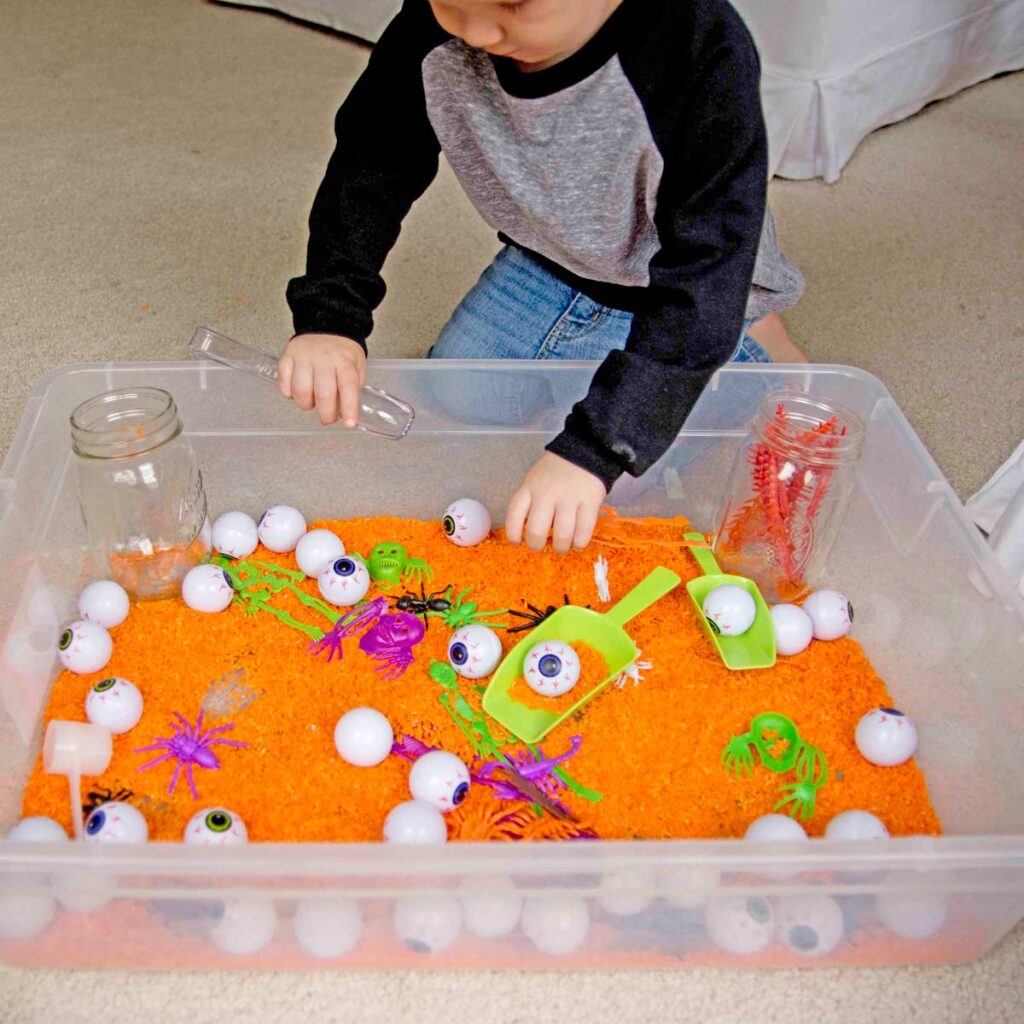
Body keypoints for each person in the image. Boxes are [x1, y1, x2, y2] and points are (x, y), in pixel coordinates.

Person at [282, 0, 805, 552]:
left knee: (611, 488)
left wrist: (596, 450)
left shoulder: (699, 48)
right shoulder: (437, 29)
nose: (478, 33)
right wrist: (331, 316)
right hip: (548, 261)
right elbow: (373, 159)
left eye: (513, 6)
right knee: (457, 390)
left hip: (681, 287)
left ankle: (757, 332)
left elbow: (710, 262)